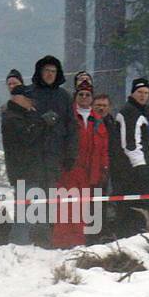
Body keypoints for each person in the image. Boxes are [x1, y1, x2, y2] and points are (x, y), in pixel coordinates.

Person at [1, 55, 76, 244]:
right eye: (46, 71)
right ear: (39, 72)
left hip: (54, 158)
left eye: (53, 71)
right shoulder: (30, 93)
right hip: (31, 158)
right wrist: (41, 122)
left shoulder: (64, 96)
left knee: (47, 208)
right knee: (27, 208)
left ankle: (43, 247)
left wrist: (70, 154)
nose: (50, 75)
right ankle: (21, 245)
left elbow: (72, 128)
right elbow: (22, 128)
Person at [52, 91, 111, 248]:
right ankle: (61, 243)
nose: (84, 98)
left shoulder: (97, 120)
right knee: (65, 207)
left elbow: (104, 147)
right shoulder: (68, 116)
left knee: (82, 209)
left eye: (87, 95)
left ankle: (78, 243)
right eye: (81, 94)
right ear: (76, 97)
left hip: (88, 171)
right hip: (68, 169)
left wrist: (103, 168)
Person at [112, 79, 149, 235]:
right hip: (131, 171)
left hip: (130, 169)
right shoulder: (131, 112)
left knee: (132, 209)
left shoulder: (138, 111)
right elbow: (130, 144)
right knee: (133, 209)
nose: (143, 96)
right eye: (140, 92)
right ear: (132, 93)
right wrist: (141, 167)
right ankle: (130, 238)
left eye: (146, 93)